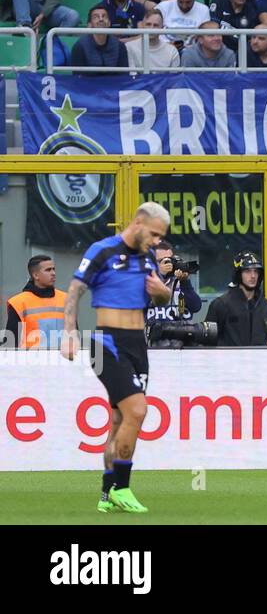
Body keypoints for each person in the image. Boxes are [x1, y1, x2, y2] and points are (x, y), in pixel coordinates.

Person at [60, 201, 172, 514]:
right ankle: (123, 486)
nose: (155, 242)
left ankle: (106, 494)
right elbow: (74, 290)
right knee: (138, 410)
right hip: (106, 343)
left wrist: (161, 290)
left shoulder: (147, 256)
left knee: (120, 421)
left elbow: (161, 295)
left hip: (138, 344)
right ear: (138, 221)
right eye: (153, 234)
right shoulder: (103, 250)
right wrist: (69, 332)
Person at [144, 240, 202, 347]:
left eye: (170, 260)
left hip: (183, 346)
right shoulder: (146, 283)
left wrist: (185, 282)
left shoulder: (180, 283)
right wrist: (159, 276)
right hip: (154, 348)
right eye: (163, 261)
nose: (168, 264)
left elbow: (196, 307)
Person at [4, 254, 67, 349]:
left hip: (63, 361)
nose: (53, 273)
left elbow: (74, 335)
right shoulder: (19, 303)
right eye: (48, 270)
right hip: (31, 361)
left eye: (53, 269)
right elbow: (11, 344)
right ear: (35, 275)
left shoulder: (66, 299)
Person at [69, 2, 124, 68]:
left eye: (104, 16)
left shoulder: (119, 46)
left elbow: (124, 75)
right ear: (90, 25)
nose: (101, 19)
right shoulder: (80, 46)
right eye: (96, 17)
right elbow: (78, 76)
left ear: (109, 23)